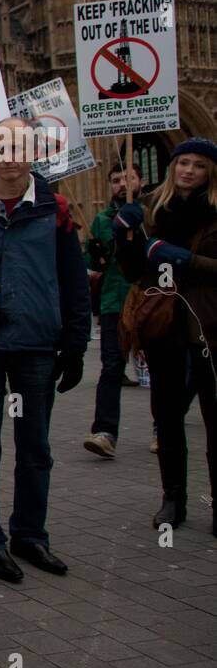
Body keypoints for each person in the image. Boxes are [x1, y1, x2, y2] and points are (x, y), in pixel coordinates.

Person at [0, 117, 90, 584]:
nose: (9, 157)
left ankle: (30, 535)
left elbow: (73, 280)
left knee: (35, 448)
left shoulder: (57, 208)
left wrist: (75, 342)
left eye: (18, 147)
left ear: (33, 152)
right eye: (1, 147)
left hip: (34, 344)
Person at [115, 138, 217, 534]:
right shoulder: (150, 211)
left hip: (210, 327)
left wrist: (185, 260)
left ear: (210, 172)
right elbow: (133, 272)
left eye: (199, 165)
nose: (189, 170)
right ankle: (173, 498)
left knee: (214, 417)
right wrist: (125, 237)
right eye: (183, 163)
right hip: (165, 326)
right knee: (168, 418)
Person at [83, 159, 144, 459]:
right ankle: (104, 432)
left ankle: (163, 430)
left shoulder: (153, 214)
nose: (122, 184)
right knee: (111, 368)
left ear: (140, 182)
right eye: (116, 179)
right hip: (113, 303)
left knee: (163, 369)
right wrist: (93, 257)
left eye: (128, 178)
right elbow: (94, 266)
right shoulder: (101, 220)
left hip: (150, 300)